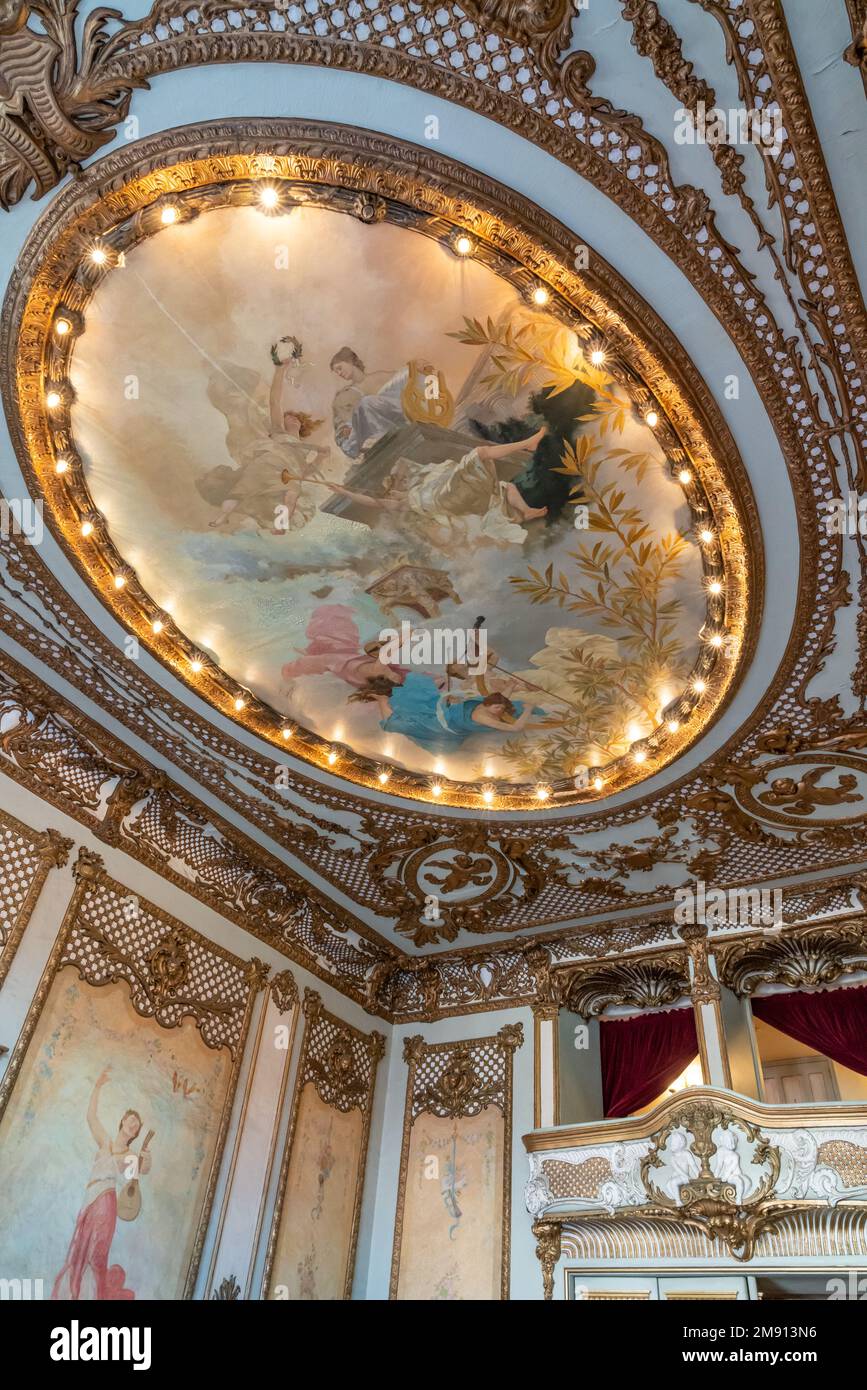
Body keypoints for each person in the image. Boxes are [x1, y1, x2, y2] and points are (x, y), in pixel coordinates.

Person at [51, 1066, 151, 1300]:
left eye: (136, 1125)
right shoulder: (105, 1142)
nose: (133, 1124)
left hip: (106, 1202)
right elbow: (91, 1117)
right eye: (131, 1120)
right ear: (123, 1121)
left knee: (96, 1252)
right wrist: (97, 1086)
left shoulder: (129, 1156)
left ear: (135, 1133)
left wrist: (146, 1157)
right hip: (89, 1199)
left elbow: (143, 1168)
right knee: (79, 1249)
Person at [349, 670, 548, 753]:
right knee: (397, 723)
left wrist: (512, 685)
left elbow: (502, 700)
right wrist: (527, 711)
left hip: (445, 712)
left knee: (407, 714)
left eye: (499, 707)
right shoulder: (482, 715)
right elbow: (515, 728)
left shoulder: (485, 705)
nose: (500, 708)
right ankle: (382, 697)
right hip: (439, 725)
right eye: (498, 707)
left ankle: (386, 697)